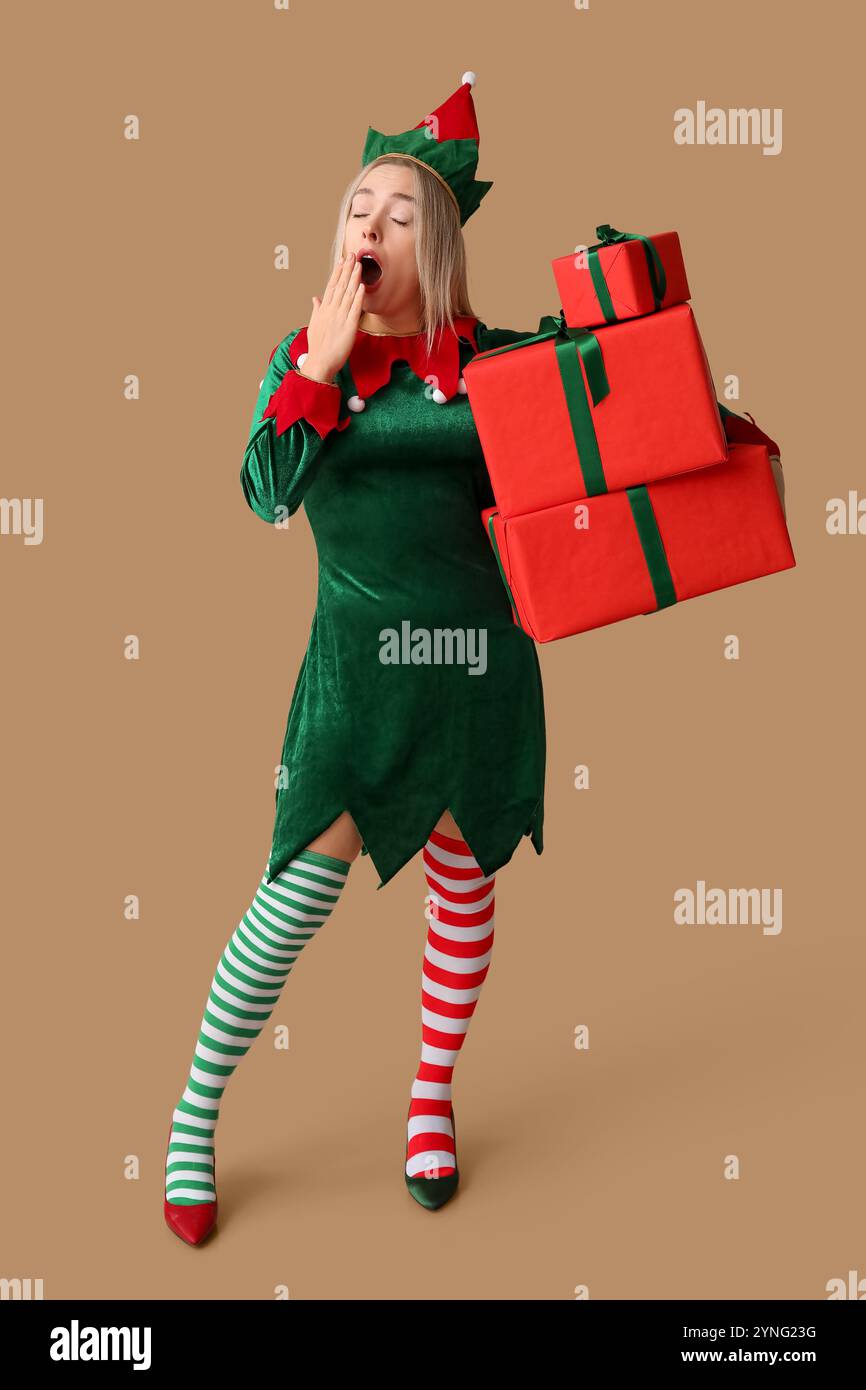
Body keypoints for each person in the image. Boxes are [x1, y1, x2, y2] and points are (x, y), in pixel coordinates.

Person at [163, 72, 546, 1245]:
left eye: (394, 214)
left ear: (434, 243)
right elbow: (266, 496)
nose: (365, 229)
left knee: (463, 887)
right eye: (354, 207)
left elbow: (591, 462)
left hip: (479, 672)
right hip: (354, 679)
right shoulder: (304, 353)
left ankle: (427, 1102)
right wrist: (318, 369)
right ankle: (192, 1121)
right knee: (286, 905)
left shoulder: (500, 361)